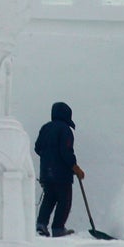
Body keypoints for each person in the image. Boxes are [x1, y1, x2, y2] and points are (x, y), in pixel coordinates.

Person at [35, 101, 84, 237]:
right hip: (62, 174)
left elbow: (37, 147)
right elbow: (66, 151)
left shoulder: (45, 128)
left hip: (46, 172)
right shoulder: (65, 130)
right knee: (64, 200)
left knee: (49, 198)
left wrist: (48, 157)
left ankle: (41, 225)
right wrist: (75, 167)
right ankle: (58, 228)